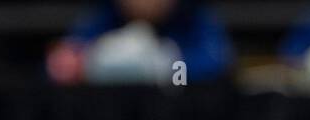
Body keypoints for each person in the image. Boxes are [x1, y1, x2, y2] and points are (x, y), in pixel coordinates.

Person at [47, 0, 232, 84]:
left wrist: (166, 67)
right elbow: (58, 66)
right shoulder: (103, 16)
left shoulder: (193, 17)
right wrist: (86, 66)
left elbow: (217, 64)